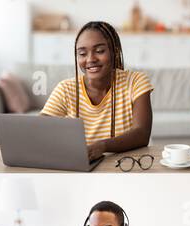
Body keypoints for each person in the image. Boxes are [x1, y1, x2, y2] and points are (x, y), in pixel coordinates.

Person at [40, 20, 153, 157]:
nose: (90, 59)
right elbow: (39, 128)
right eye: (82, 54)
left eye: (99, 51)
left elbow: (142, 134)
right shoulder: (65, 89)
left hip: (123, 167)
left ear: (114, 52)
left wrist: (103, 146)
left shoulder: (136, 82)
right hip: (81, 167)